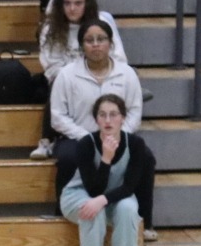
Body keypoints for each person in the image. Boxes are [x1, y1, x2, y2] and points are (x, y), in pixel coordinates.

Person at [61, 94, 152, 246]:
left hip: (115, 197)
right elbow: (93, 189)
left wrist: (102, 199)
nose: (108, 120)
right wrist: (106, 159)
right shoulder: (86, 144)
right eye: (102, 115)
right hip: (79, 194)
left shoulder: (136, 144)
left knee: (128, 210)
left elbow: (130, 186)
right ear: (96, 120)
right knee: (93, 211)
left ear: (123, 118)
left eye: (113, 114)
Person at [29, 0, 124, 159]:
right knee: (58, 84)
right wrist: (77, 76)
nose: (72, 9)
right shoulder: (51, 28)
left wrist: (97, 74)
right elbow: (51, 65)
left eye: (78, 3)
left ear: (87, 4)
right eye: (67, 3)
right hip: (66, 81)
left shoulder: (101, 23)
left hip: (102, 75)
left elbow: (118, 58)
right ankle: (47, 140)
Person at [48, 18, 141, 186]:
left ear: (111, 43)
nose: (96, 44)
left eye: (101, 39)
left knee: (142, 155)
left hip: (118, 137)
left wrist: (118, 136)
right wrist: (87, 138)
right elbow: (57, 116)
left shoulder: (127, 74)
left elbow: (134, 112)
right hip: (77, 138)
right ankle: (66, 202)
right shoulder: (66, 75)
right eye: (89, 40)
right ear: (81, 46)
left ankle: (130, 201)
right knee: (68, 158)